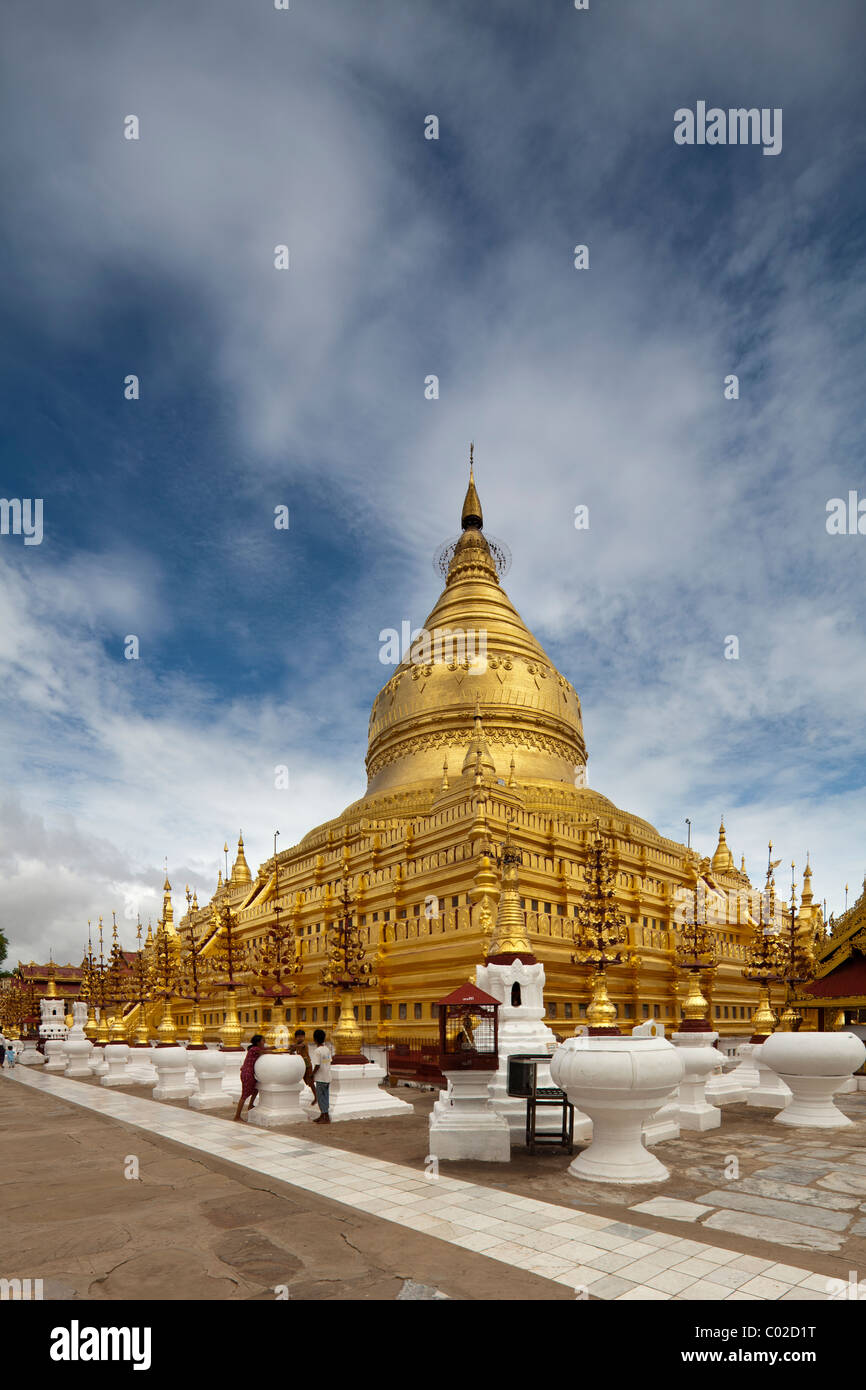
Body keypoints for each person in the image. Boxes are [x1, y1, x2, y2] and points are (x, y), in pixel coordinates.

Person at [234, 1033, 265, 1122]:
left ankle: (250, 1105)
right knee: (244, 1096)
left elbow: (266, 1050)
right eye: (263, 1040)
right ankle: (237, 1116)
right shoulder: (255, 1049)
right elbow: (266, 1052)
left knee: (255, 1090)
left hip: (249, 1074)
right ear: (258, 1042)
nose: (264, 1042)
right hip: (247, 1074)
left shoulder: (255, 1049)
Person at [310, 1028, 331, 1123]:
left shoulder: (317, 1051)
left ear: (315, 1039)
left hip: (320, 1078)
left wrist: (312, 1074)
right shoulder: (327, 1049)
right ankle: (324, 1115)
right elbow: (328, 1062)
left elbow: (317, 1065)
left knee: (321, 1098)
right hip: (327, 1076)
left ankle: (324, 1116)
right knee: (325, 1097)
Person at [290, 1028, 317, 1102]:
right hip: (301, 1064)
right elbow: (291, 1051)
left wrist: (293, 1046)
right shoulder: (296, 1045)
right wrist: (291, 1050)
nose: (300, 1038)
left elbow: (299, 1046)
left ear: (304, 1037)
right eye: (298, 1037)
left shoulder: (304, 1043)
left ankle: (316, 1096)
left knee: (310, 1082)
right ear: (295, 1037)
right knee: (306, 1081)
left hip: (307, 1064)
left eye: (302, 1036)